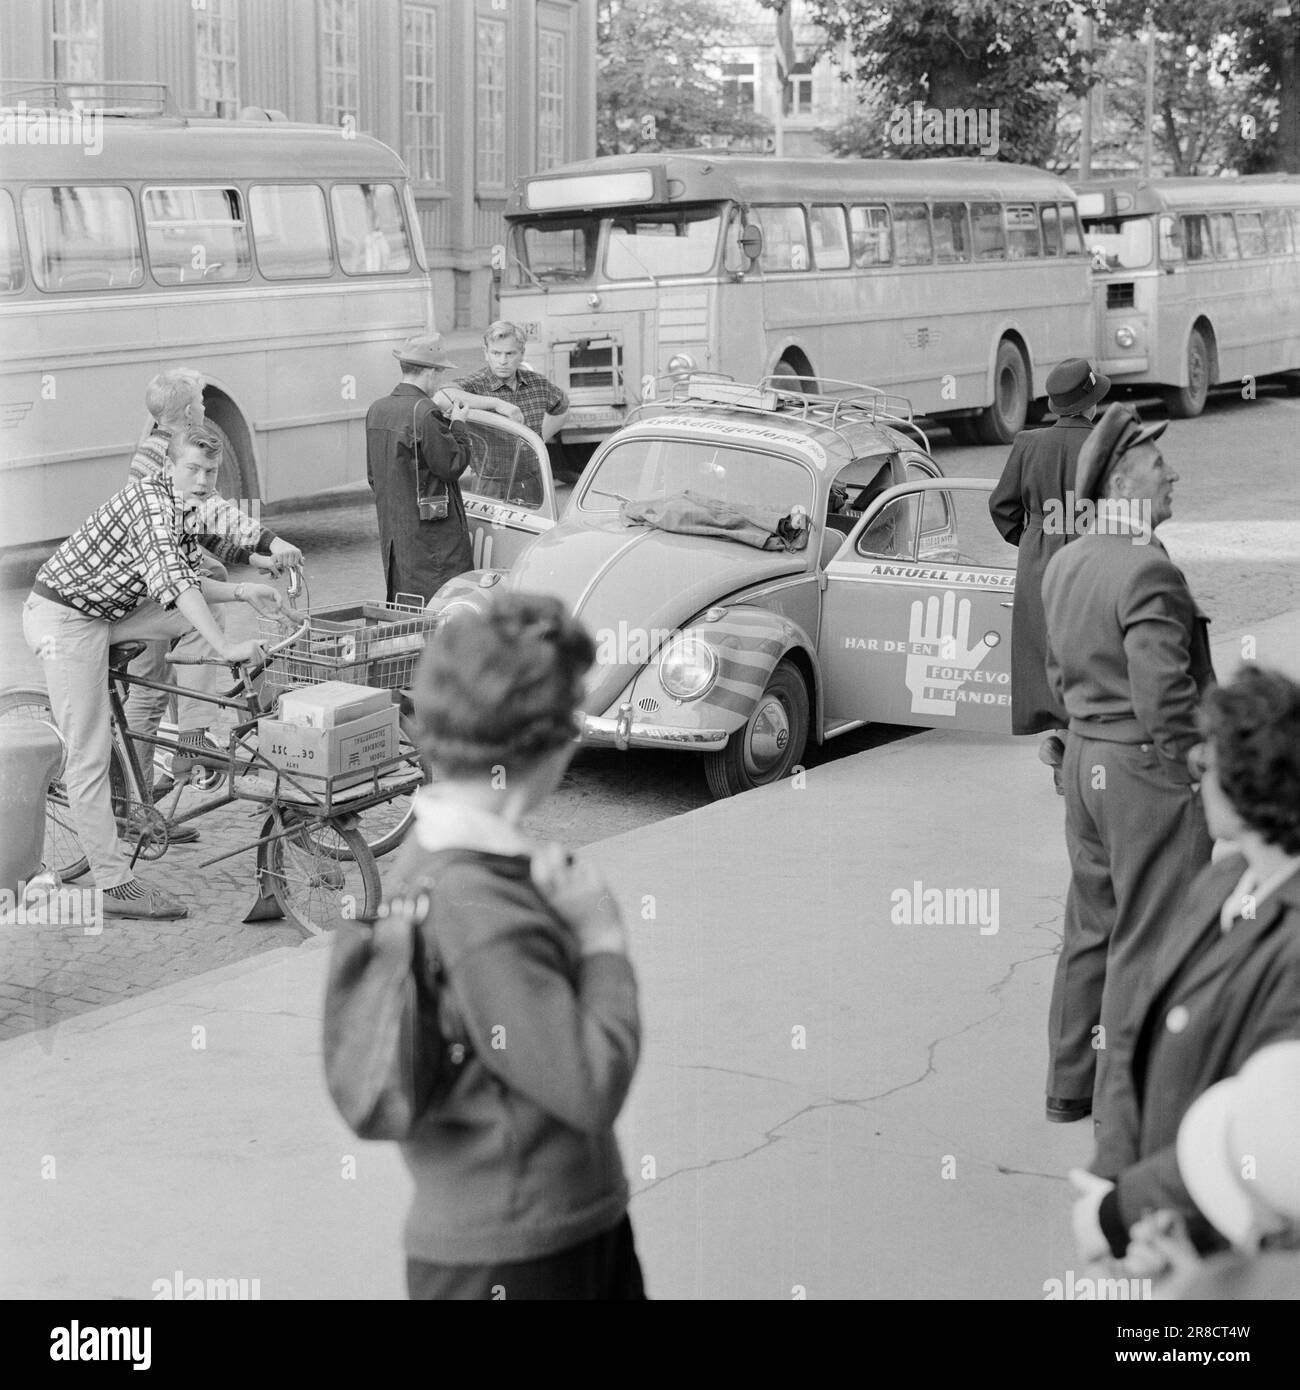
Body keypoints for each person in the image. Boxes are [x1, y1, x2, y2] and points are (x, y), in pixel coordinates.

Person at [390, 593, 644, 1300]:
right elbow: (590, 1084)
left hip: (510, 1237)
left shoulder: (433, 857)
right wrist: (600, 939)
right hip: (527, 1252)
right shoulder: (481, 910)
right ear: (549, 746)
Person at [1067, 667, 1300, 1265]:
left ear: (1253, 786)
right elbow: (1131, 1031)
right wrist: (1112, 1175)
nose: (1197, 770)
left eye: (1208, 762)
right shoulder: (1221, 878)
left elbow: (1267, 1129)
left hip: (1238, 1249)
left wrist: (1122, 1214)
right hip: (1163, 1232)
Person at [21, 424, 285, 920]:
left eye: (210, 471)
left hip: (109, 614)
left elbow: (191, 580)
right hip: (65, 618)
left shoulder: (184, 507)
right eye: (193, 469)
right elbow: (173, 581)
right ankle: (111, 883)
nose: (204, 479)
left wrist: (246, 591)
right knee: (89, 753)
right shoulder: (150, 501)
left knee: (203, 613)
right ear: (169, 468)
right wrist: (226, 647)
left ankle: (195, 735)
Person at [1039, 403, 1215, 1124]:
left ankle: (1070, 1083)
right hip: (1143, 769)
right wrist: (1196, 766)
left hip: (1085, 758)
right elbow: (1164, 693)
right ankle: (1129, 1101)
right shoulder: (1145, 567)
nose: (1171, 473)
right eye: (1156, 462)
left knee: (1092, 925)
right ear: (1119, 482)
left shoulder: (1068, 560)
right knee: (1149, 929)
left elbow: (1057, 668)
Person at [124, 369, 303, 803]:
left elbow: (203, 527)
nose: (206, 408)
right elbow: (214, 515)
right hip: (150, 592)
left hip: (159, 585)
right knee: (150, 696)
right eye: (203, 401)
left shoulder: (169, 450)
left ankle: (148, 795)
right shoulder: (160, 459)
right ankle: (143, 792)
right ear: (188, 411)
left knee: (155, 692)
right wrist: (267, 542)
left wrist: (255, 558)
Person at [989, 358, 1109, 792]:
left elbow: (1002, 507)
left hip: (1039, 561)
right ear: (1091, 404)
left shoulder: (1027, 442)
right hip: (1093, 558)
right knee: (1095, 655)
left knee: (1046, 655)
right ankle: (1082, 755)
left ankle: (1060, 747)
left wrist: (1032, 539)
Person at [366, 334, 473, 605]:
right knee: (442, 603)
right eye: (439, 372)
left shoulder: (377, 409)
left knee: (406, 605)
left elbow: (372, 476)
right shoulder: (425, 410)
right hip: (432, 538)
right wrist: (459, 426)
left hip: (395, 533)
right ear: (430, 371)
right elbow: (452, 465)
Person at [452, 320, 569, 500]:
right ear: (486, 353)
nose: (503, 361)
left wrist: (538, 439)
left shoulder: (538, 384)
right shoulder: (475, 384)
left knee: (541, 529)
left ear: (521, 353)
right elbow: (441, 397)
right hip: (490, 485)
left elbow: (562, 408)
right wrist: (497, 403)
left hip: (533, 482)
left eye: (510, 353)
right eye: (496, 353)